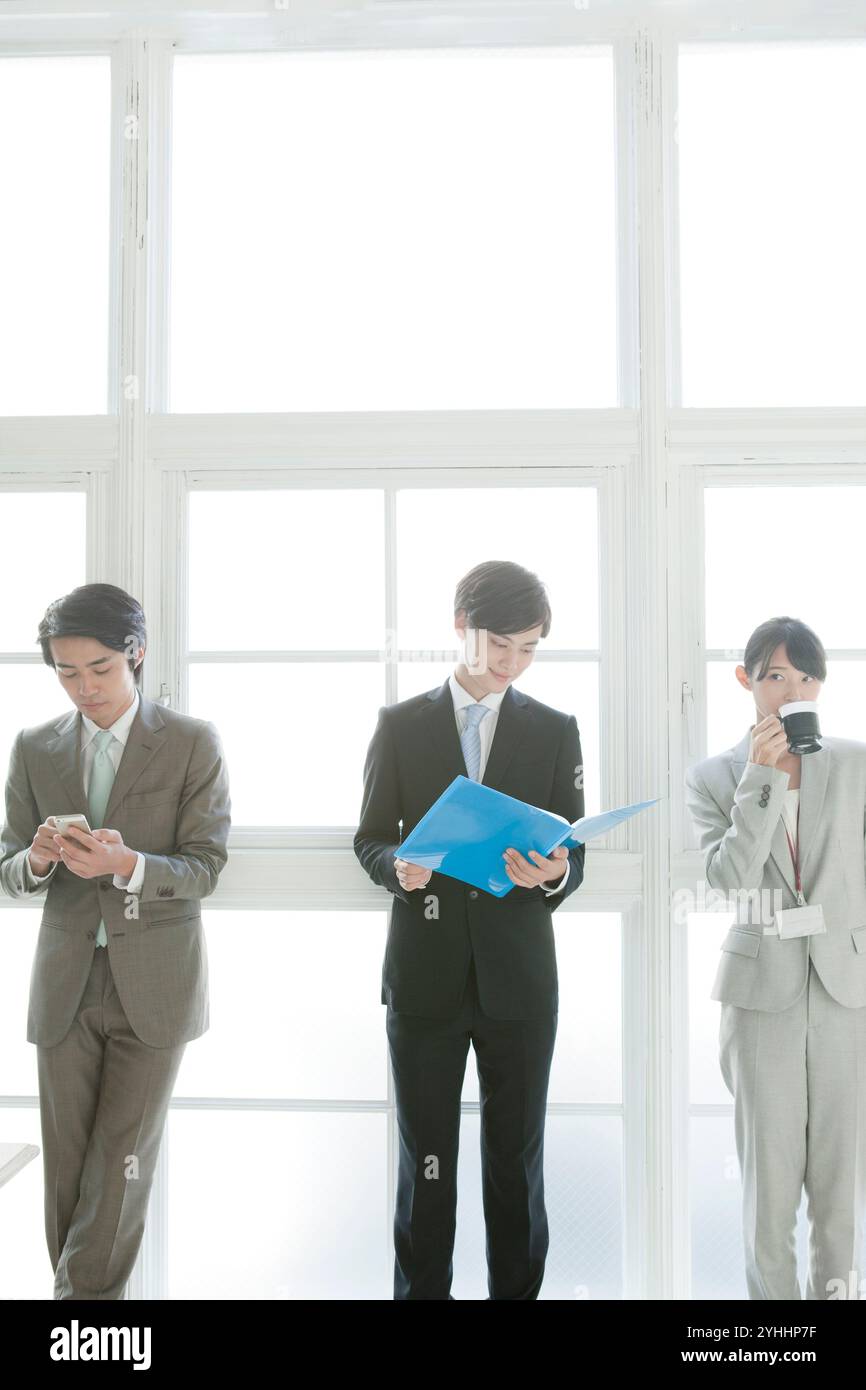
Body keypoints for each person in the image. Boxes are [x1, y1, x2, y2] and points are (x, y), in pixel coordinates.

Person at [354, 560, 586, 1299]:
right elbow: (369, 838)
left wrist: (552, 873)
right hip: (425, 973)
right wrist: (399, 868)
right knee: (425, 1163)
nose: (511, 664)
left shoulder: (555, 729)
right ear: (461, 626)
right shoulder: (401, 724)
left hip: (520, 976)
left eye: (528, 650)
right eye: (499, 645)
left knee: (517, 1164)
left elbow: (570, 848)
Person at [0, 583, 231, 1300]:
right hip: (66, 983)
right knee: (68, 1170)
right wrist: (37, 860)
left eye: (99, 669)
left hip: (155, 987)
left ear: (136, 654)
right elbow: (5, 869)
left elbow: (205, 866)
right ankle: (95, 1323)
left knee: (120, 1165)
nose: (84, 688)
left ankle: (74, 1317)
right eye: (67, 673)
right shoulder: (36, 747)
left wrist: (127, 866)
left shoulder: (192, 742)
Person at [684, 615, 866, 1301]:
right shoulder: (712, 777)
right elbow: (727, 877)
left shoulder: (856, 763)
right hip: (763, 997)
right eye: (776, 676)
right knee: (768, 1200)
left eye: (806, 676)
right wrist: (760, 779)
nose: (793, 689)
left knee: (841, 1199)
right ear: (746, 680)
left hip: (848, 992)